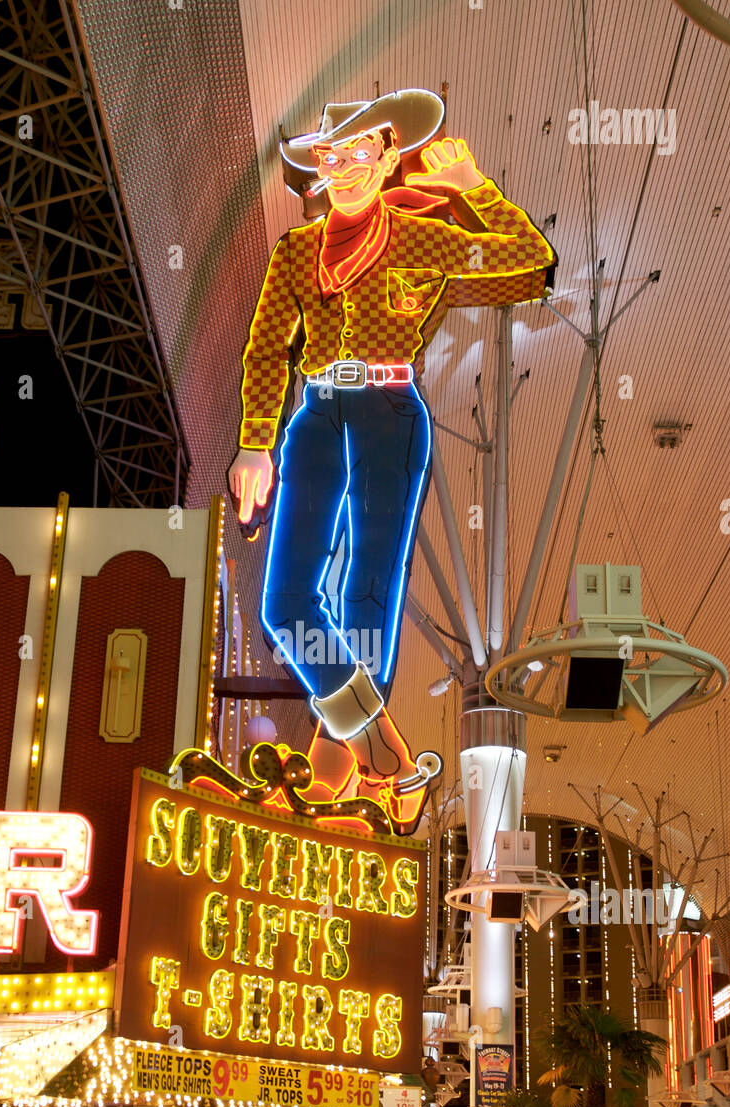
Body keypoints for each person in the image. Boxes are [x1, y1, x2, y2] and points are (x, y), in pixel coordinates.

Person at [228, 88, 555, 833]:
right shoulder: (296, 252)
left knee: (369, 592)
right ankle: (379, 745)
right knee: (286, 601)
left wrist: (472, 189)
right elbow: (266, 345)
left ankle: (347, 753)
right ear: (318, 168)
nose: (344, 168)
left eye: (359, 153)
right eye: (330, 156)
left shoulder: (419, 237)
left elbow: (531, 260)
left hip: (389, 414)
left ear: (384, 157)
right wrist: (254, 440)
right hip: (312, 417)